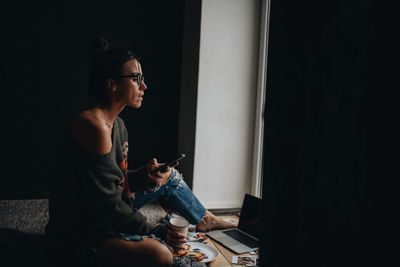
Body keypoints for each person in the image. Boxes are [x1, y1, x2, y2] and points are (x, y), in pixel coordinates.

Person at [45, 38, 236, 267]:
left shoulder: (118, 125)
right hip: (82, 234)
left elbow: (115, 184)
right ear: (112, 84)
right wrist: (156, 230)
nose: (144, 86)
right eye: (136, 79)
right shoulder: (92, 125)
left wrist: (146, 176)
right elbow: (106, 207)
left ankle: (206, 219)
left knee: (169, 177)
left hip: (102, 216)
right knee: (160, 255)